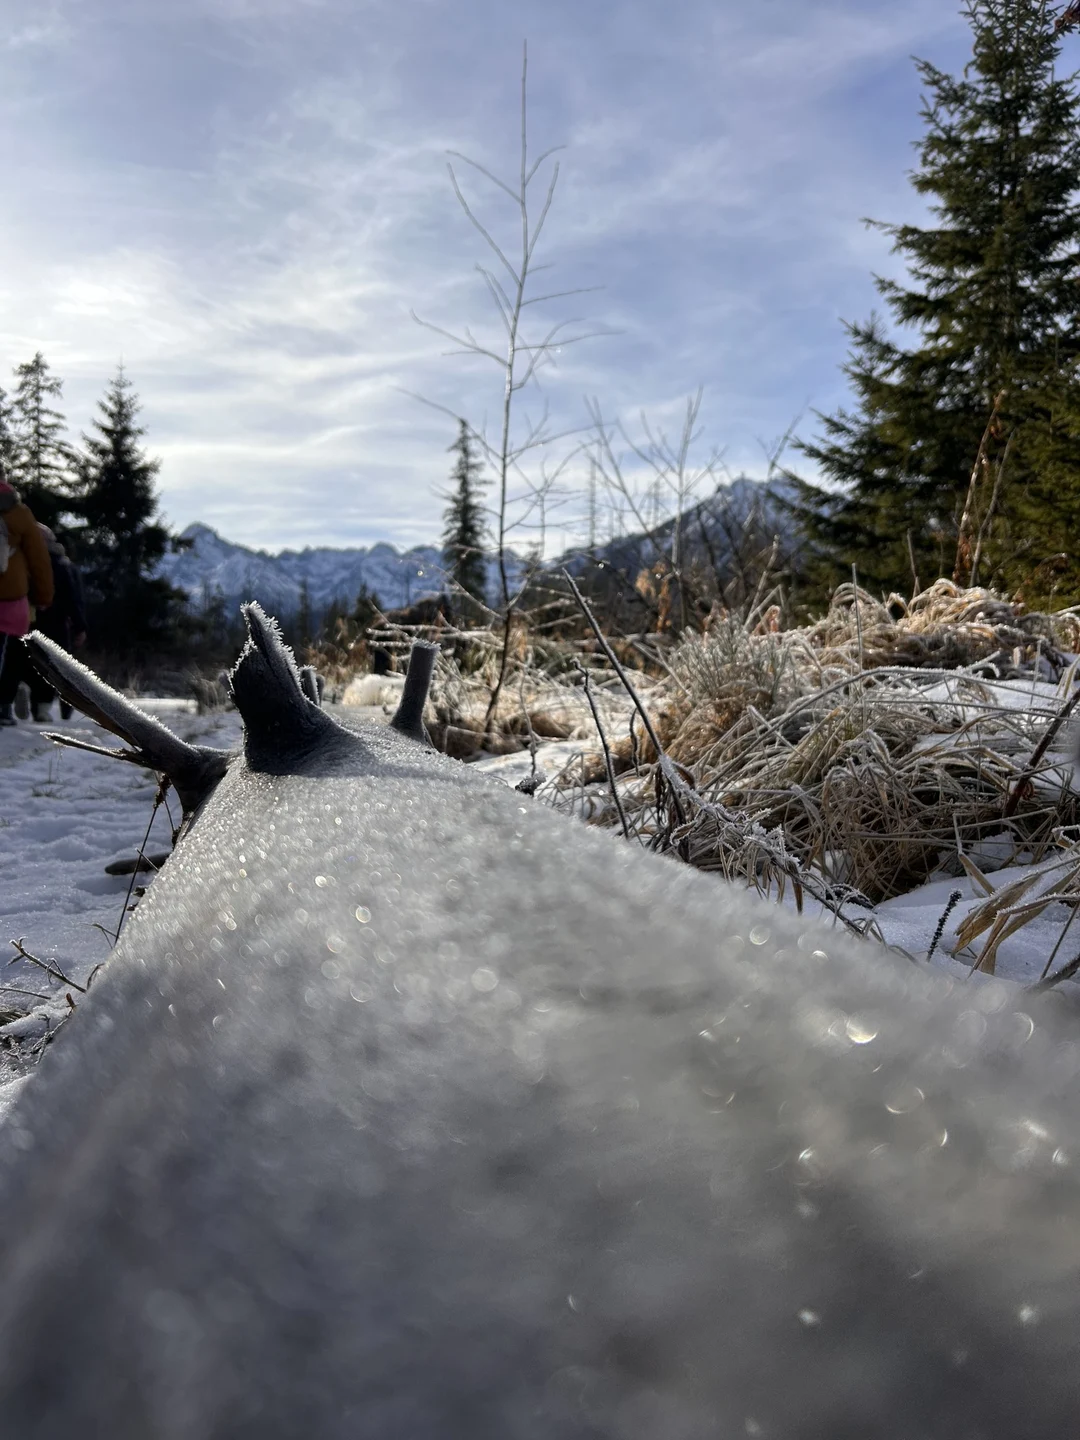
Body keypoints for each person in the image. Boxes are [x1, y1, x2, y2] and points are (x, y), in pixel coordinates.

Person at [0, 474, 54, 727]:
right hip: (10, 598)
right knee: (9, 656)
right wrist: (43, 596)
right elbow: (39, 560)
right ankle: (3, 706)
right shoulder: (19, 513)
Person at [28, 523, 87, 722]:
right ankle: (43, 708)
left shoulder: (20, 560)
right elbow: (73, 598)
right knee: (52, 665)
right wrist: (80, 626)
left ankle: (18, 695)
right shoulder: (63, 565)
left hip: (25, 618)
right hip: (56, 622)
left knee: (21, 661)